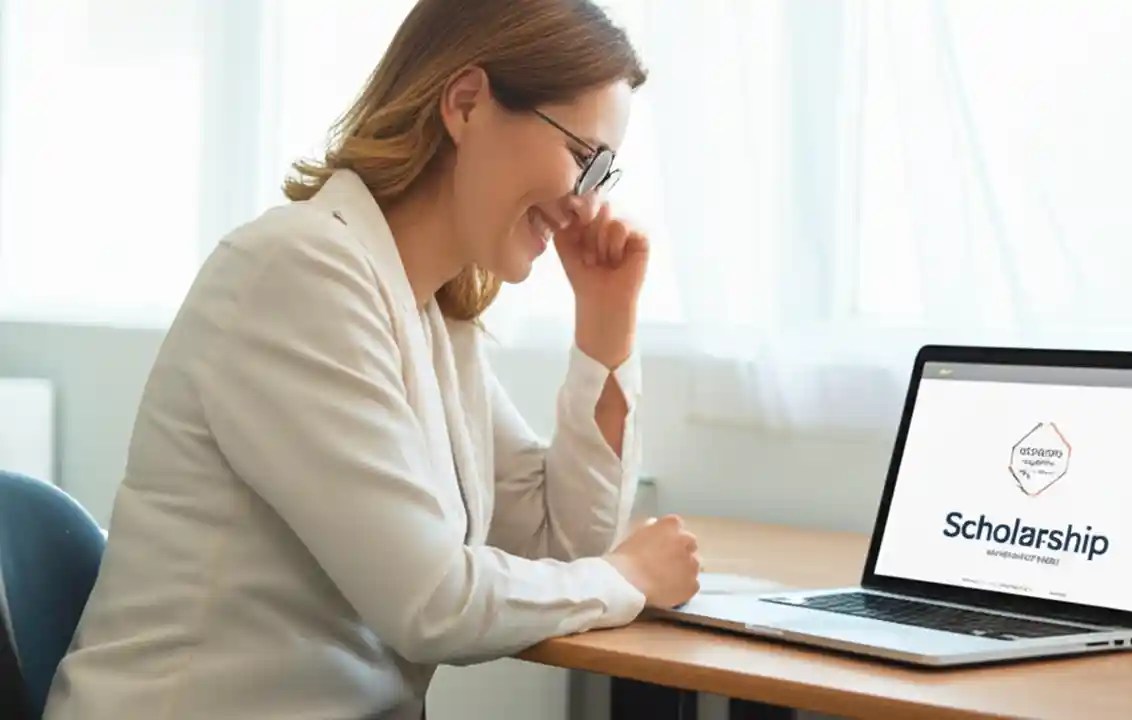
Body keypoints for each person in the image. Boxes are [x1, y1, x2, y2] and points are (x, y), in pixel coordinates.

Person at [42, 1, 701, 717]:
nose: (585, 205)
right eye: (584, 159)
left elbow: (561, 543)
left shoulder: (432, 316)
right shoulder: (299, 273)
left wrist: (606, 330)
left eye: (604, 177)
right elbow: (434, 601)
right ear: (467, 103)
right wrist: (627, 576)